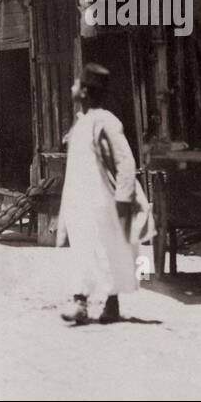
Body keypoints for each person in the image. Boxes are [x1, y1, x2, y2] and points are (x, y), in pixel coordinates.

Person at [56, 62, 152, 325]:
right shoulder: (82, 123)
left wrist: (123, 200)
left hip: (102, 200)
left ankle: (105, 302)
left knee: (106, 252)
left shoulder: (106, 122)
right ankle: (84, 302)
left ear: (85, 92)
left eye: (76, 83)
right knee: (84, 252)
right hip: (81, 199)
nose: (72, 87)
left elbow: (126, 162)